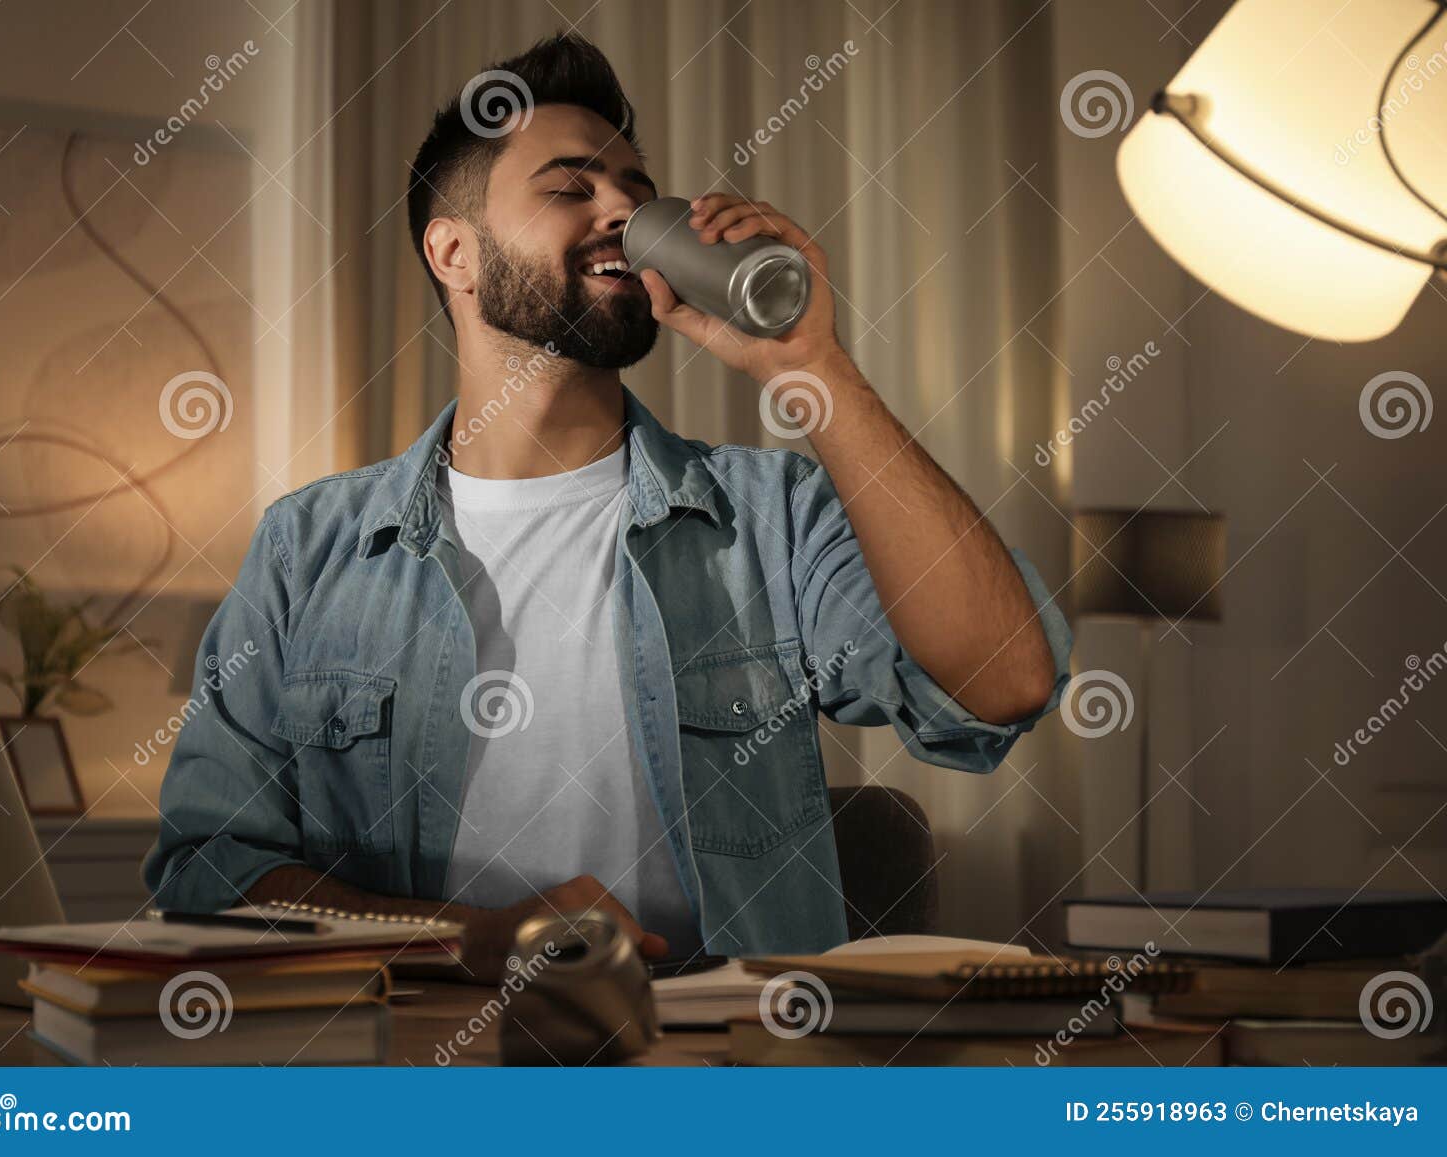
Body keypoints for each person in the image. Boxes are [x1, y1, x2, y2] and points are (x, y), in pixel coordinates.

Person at [142, 31, 1073, 983]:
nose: (626, 209)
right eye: (571, 186)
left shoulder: (769, 517)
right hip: (421, 1060)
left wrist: (813, 369)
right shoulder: (311, 546)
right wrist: (469, 938)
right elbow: (212, 868)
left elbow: (1001, 683)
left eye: (635, 186)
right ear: (454, 252)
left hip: (727, 1073)